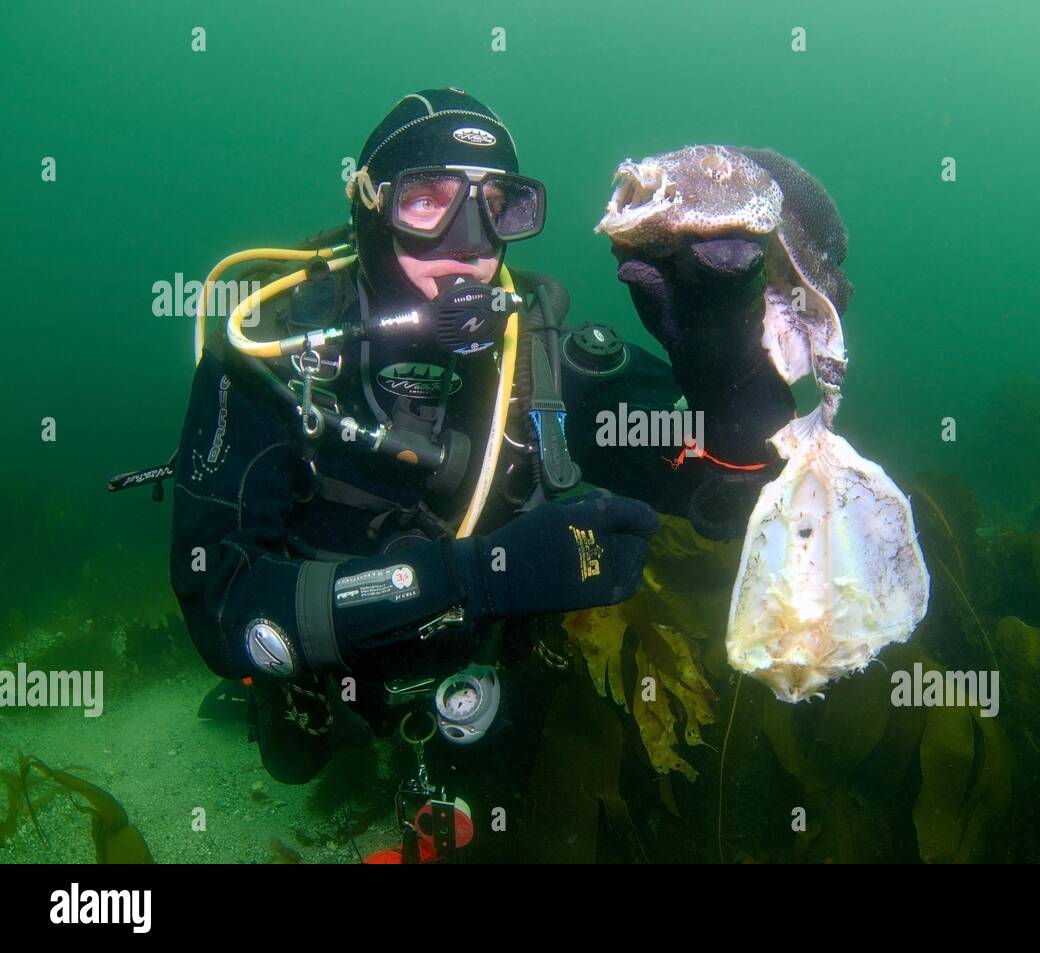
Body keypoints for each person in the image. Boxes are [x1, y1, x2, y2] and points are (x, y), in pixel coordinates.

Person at [169, 88, 796, 794]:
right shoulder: (266, 356)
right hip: (320, 678)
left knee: (522, 777)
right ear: (369, 209)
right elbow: (220, 603)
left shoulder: (538, 357)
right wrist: (478, 575)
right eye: (427, 199)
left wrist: (727, 361)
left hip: (478, 673)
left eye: (498, 203)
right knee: (299, 764)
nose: (469, 239)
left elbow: (735, 484)